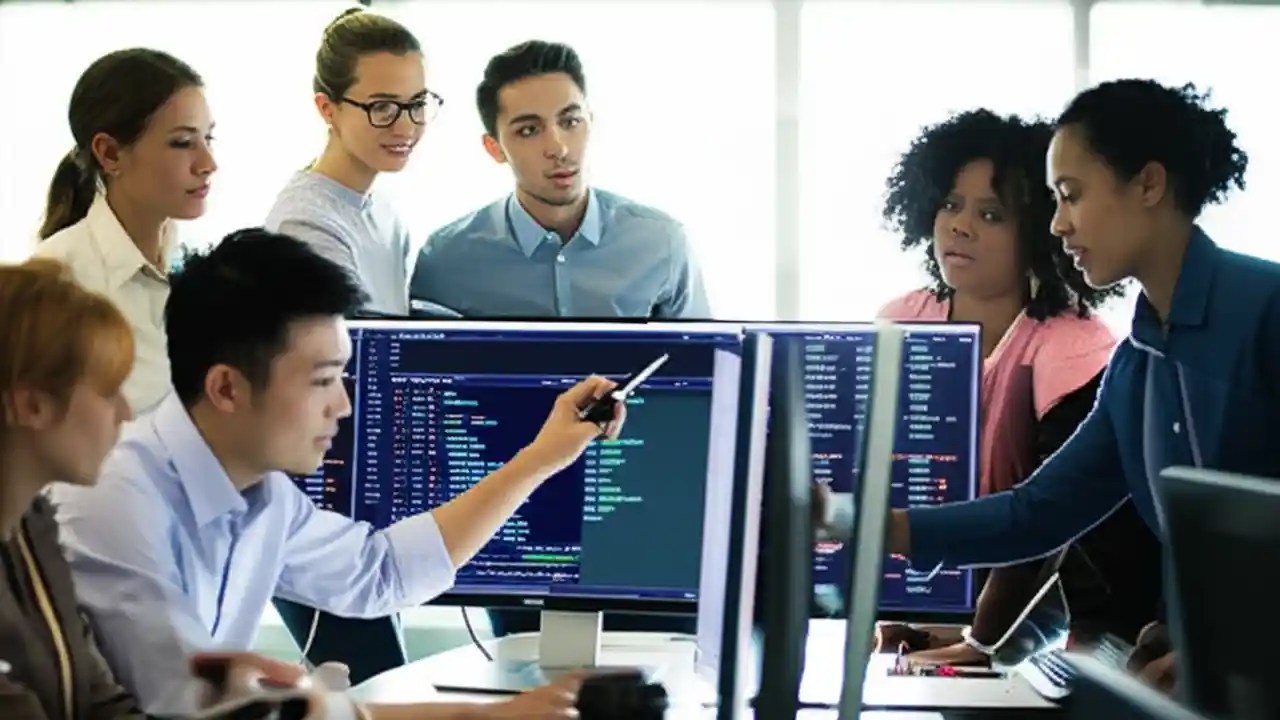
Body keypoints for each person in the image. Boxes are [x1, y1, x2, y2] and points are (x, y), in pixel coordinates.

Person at [819, 79, 1279, 693]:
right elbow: (1037, 513)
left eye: (1070, 195)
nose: (1057, 224)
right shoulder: (1137, 365)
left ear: (1148, 184)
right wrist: (850, 517)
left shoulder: (1267, 312)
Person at [49, 229, 625, 718]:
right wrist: (480, 716)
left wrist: (542, 458)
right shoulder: (118, 501)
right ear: (227, 387)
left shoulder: (263, 494)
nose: (343, 407)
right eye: (323, 380)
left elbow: (382, 573)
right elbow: (200, 709)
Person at [0, 259, 377, 720]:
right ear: (31, 406)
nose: (124, 413)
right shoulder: (108, 499)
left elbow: (105, 707)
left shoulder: (30, 533)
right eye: (107, 391)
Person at [873, 110, 1160, 663]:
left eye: (991, 214)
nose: (959, 226)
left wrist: (981, 642)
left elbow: (1046, 520)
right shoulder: (900, 320)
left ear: (1035, 231)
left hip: (1033, 618)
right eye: (951, 205)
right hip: (924, 590)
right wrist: (886, 611)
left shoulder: (1070, 344)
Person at [408, 40, 711, 319]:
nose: (559, 148)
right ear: (494, 148)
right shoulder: (447, 260)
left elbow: (702, 367)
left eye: (570, 122)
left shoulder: (661, 243)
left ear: (591, 122)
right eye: (529, 130)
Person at [34, 48, 216, 415]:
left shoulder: (201, 271)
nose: (208, 164)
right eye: (182, 142)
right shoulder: (59, 285)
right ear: (110, 154)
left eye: (208, 139)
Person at [265, 7, 444, 317]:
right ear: (327, 108)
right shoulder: (307, 226)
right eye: (382, 107)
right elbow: (340, 359)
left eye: (416, 104)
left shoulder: (383, 211)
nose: (405, 127)